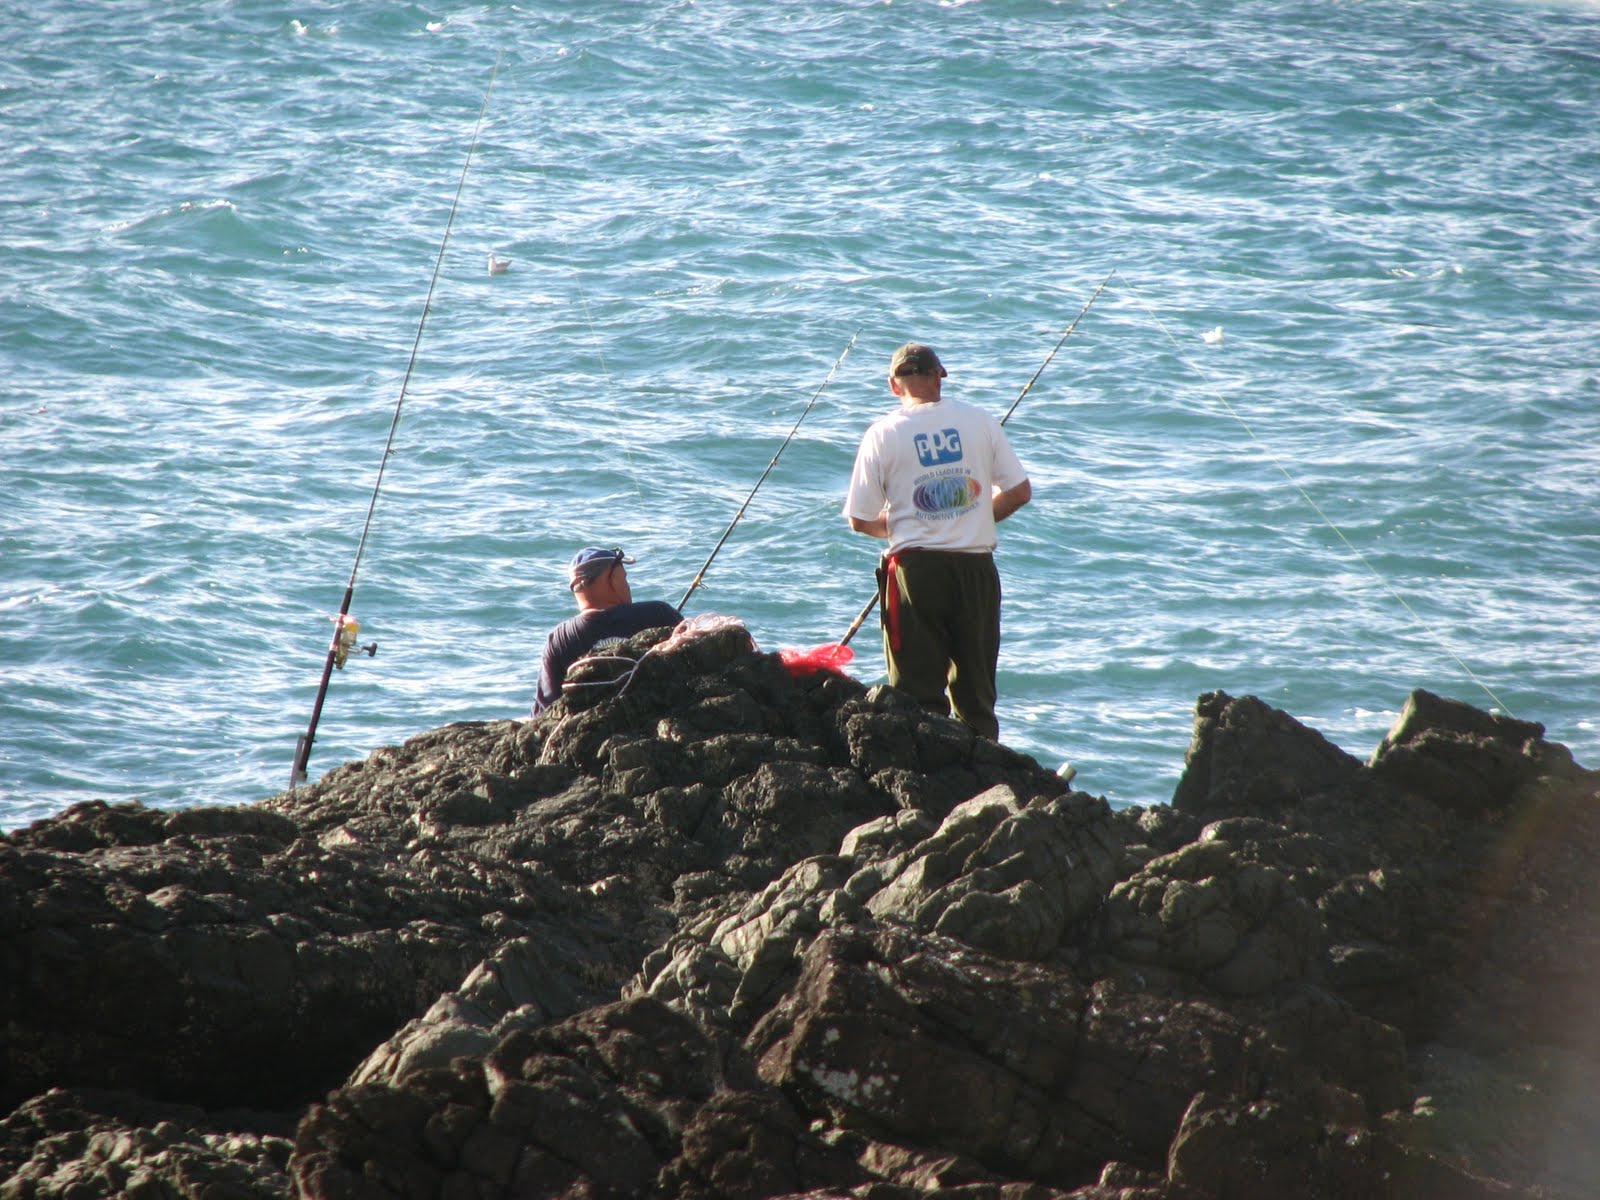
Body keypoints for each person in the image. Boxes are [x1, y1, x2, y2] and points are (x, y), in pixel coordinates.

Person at [842, 342, 1032, 740]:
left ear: (894, 386)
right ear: (939, 377)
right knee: (976, 692)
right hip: (975, 569)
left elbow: (860, 519)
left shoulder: (882, 434)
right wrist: (976, 515)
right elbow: (1018, 492)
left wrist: (896, 527)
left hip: (915, 571)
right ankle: (984, 771)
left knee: (915, 692)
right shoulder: (981, 421)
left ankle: (925, 777)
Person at [531, 546, 682, 715]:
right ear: (612, 579)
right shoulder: (658, 614)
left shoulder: (559, 639)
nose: (627, 585)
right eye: (624, 578)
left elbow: (545, 709)